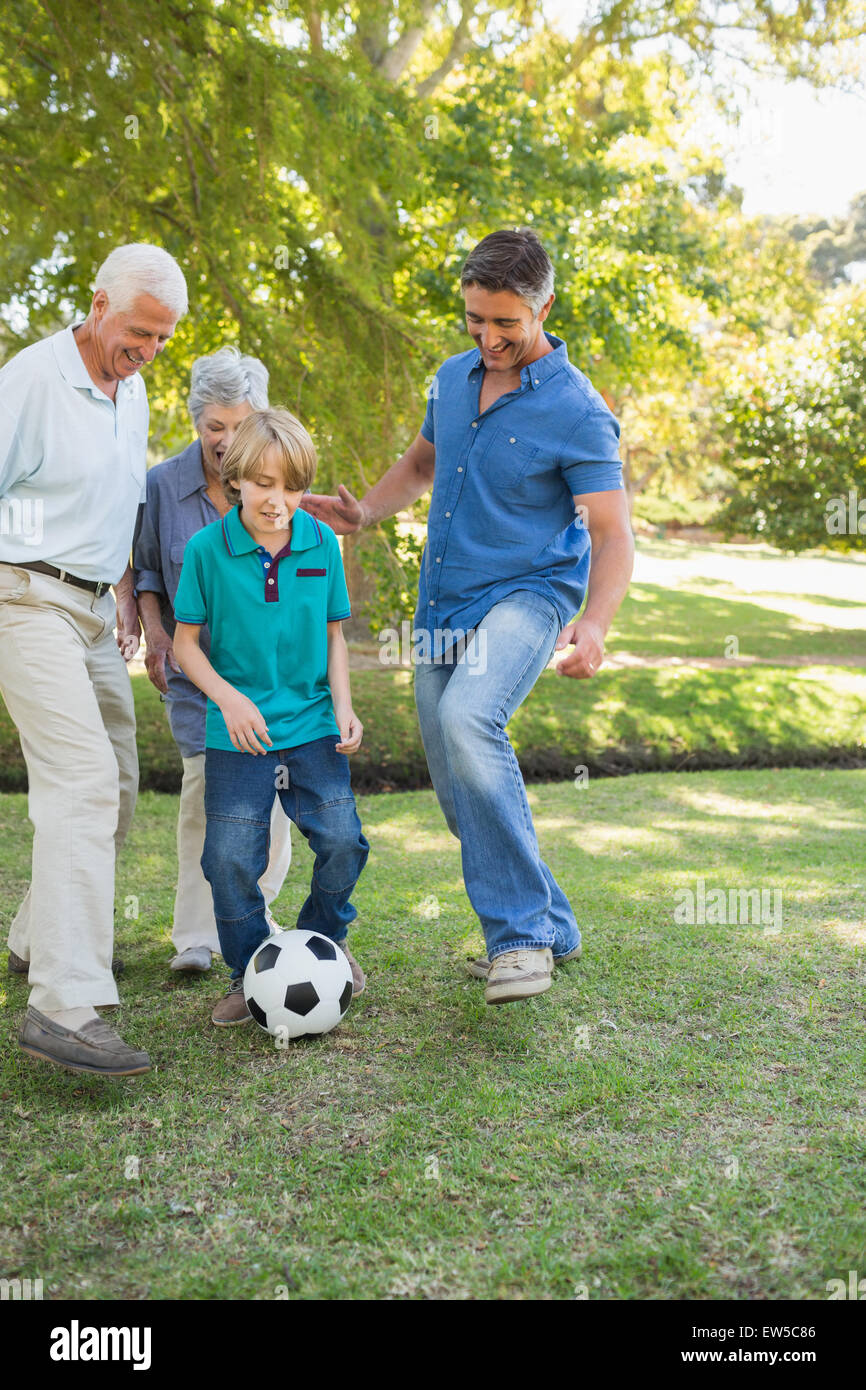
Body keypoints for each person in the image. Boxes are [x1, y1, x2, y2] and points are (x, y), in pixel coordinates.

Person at [302, 227, 634, 1006]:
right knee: (459, 789)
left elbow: (613, 531)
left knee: (470, 719)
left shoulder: (579, 411)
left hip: (529, 594)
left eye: (505, 325)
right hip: (445, 601)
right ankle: (552, 917)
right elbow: (424, 462)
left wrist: (596, 624)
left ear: (544, 307)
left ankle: (518, 938)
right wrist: (366, 514)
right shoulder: (453, 379)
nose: (488, 339)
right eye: (475, 321)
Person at [0, 242, 188, 1074]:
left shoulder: (135, 390)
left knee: (114, 779)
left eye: (162, 339)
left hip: (89, 610)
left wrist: (121, 593)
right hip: (21, 599)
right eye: (140, 331)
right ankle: (67, 1002)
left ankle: (34, 937)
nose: (147, 350)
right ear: (99, 303)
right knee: (76, 776)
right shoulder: (33, 381)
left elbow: (116, 501)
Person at [172, 408, 369, 1027]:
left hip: (312, 725)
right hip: (238, 734)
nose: (276, 500)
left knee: (342, 842)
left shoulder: (321, 543)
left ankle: (322, 949)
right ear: (236, 481)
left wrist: (343, 705)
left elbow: (336, 636)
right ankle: (251, 970)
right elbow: (183, 645)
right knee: (229, 858)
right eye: (262, 483)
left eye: (289, 485)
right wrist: (228, 699)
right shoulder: (207, 549)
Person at [133, 347, 293, 977]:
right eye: (214, 427)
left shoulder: (274, 481)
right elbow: (147, 569)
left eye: (239, 426)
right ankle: (195, 936)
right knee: (204, 796)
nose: (226, 442)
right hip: (196, 675)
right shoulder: (162, 486)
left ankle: (255, 914)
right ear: (196, 421)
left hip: (269, 675)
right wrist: (154, 632)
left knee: (274, 802)